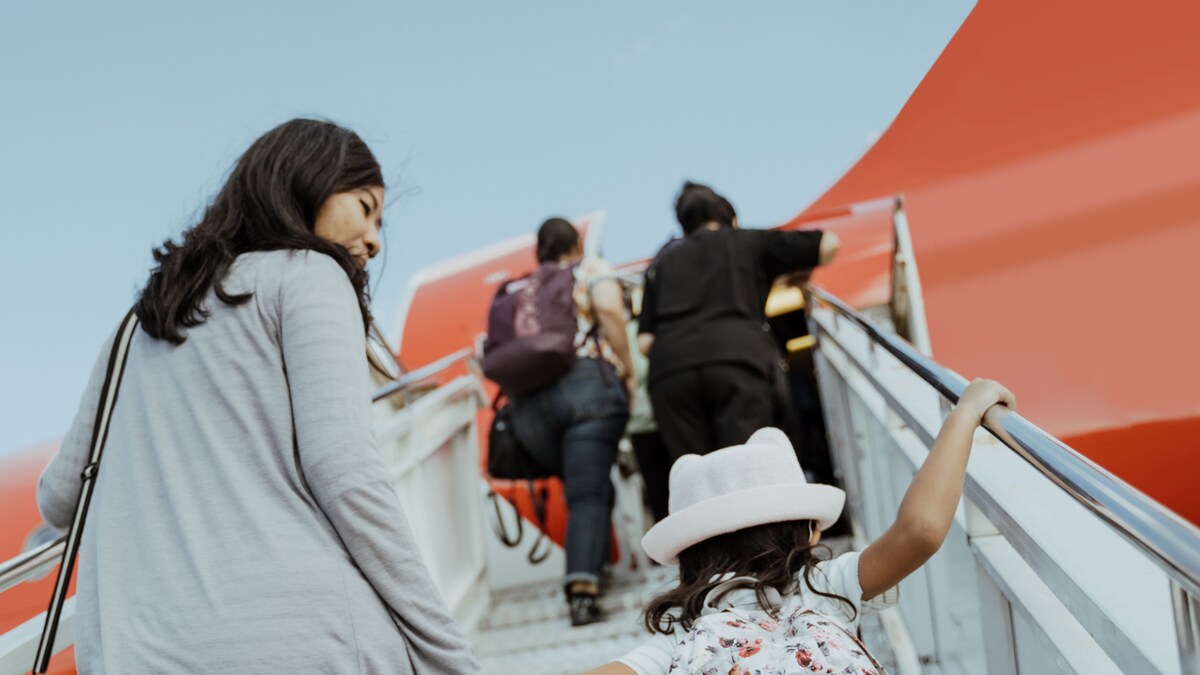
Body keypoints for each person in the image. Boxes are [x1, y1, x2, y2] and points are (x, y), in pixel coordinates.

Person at [37, 119, 481, 674]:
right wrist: (448, 652)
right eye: (365, 207)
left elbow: (59, 497)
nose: (374, 238)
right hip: (299, 642)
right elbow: (345, 471)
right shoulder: (309, 273)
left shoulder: (135, 327)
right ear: (308, 180)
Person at [582, 378, 1015, 674]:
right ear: (811, 532)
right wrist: (965, 411)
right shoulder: (825, 587)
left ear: (688, 558)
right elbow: (920, 529)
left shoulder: (682, 636)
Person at [638, 182, 840, 462]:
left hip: (671, 374)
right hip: (738, 361)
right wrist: (796, 275)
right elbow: (829, 243)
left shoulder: (660, 264)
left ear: (684, 229)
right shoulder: (746, 240)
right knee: (749, 466)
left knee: (698, 479)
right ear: (732, 220)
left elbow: (645, 342)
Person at [507, 217, 636, 627]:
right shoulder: (589, 268)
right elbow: (610, 308)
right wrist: (627, 367)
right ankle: (582, 591)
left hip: (530, 407)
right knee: (588, 494)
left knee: (586, 485)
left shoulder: (522, 288)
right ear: (576, 245)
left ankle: (596, 565)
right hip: (586, 390)